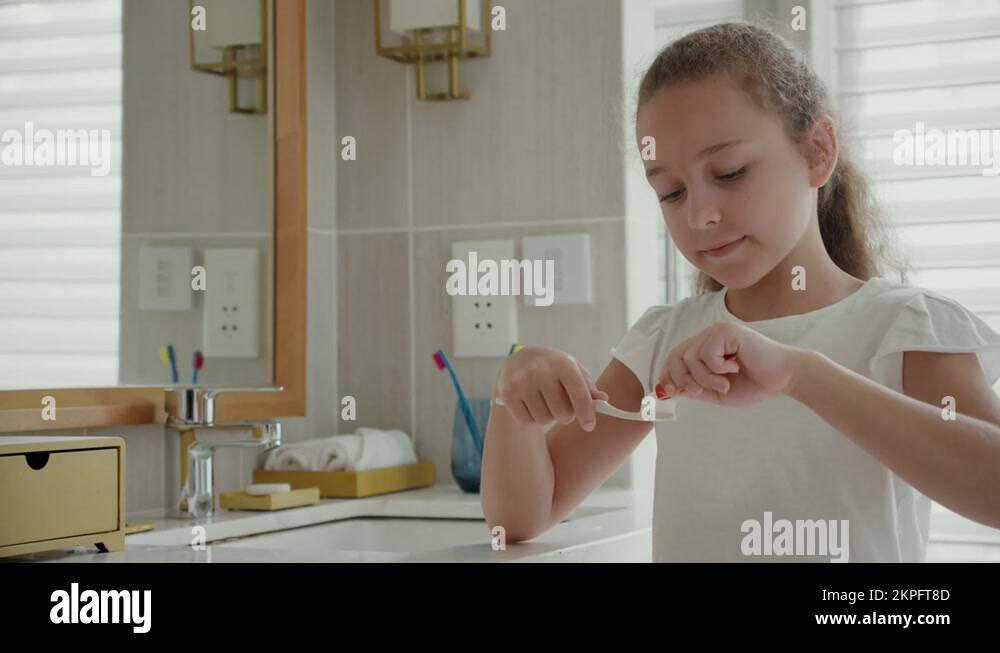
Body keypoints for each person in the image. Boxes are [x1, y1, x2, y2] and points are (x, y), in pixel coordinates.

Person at [479, 22, 1000, 562]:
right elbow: (521, 519)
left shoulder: (905, 328)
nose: (700, 215)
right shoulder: (663, 340)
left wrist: (801, 374)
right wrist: (511, 399)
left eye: (729, 173)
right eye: (671, 191)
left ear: (817, 152)